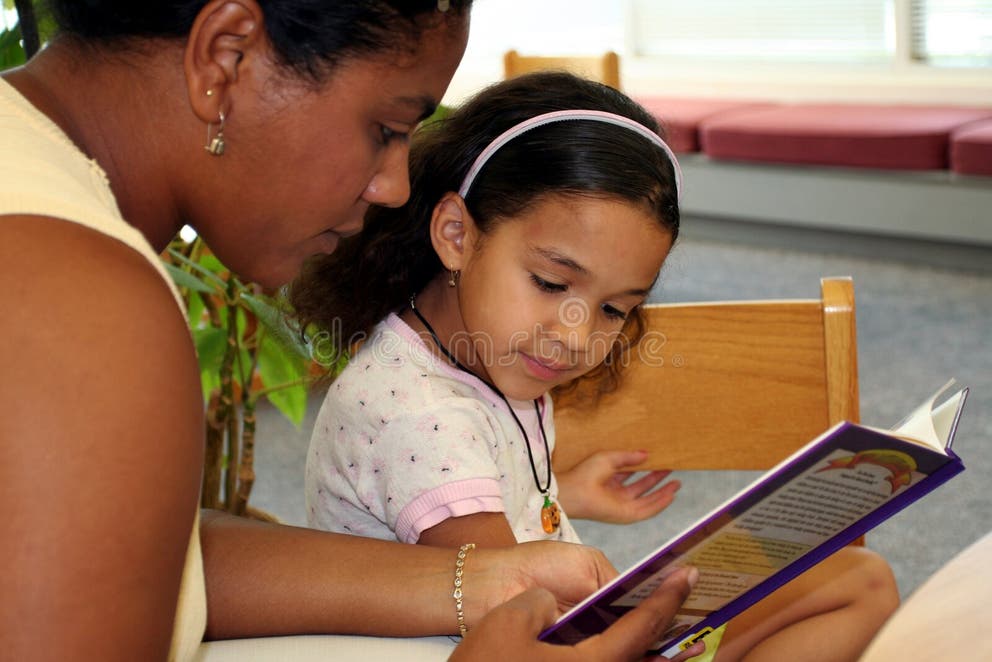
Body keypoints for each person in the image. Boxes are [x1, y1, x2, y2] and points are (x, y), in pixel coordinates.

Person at [0, 2, 704, 661]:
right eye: (389, 128)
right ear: (225, 56)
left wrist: (481, 580)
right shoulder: (78, 296)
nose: (396, 187)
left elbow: (152, 555)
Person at [293, 72, 901, 661]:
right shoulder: (421, 415)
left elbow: (451, 507)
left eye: (614, 308)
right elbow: (515, 613)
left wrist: (561, 495)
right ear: (455, 233)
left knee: (855, 579)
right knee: (855, 584)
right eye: (552, 283)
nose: (576, 334)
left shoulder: (473, 352)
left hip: (536, 629)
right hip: (523, 645)